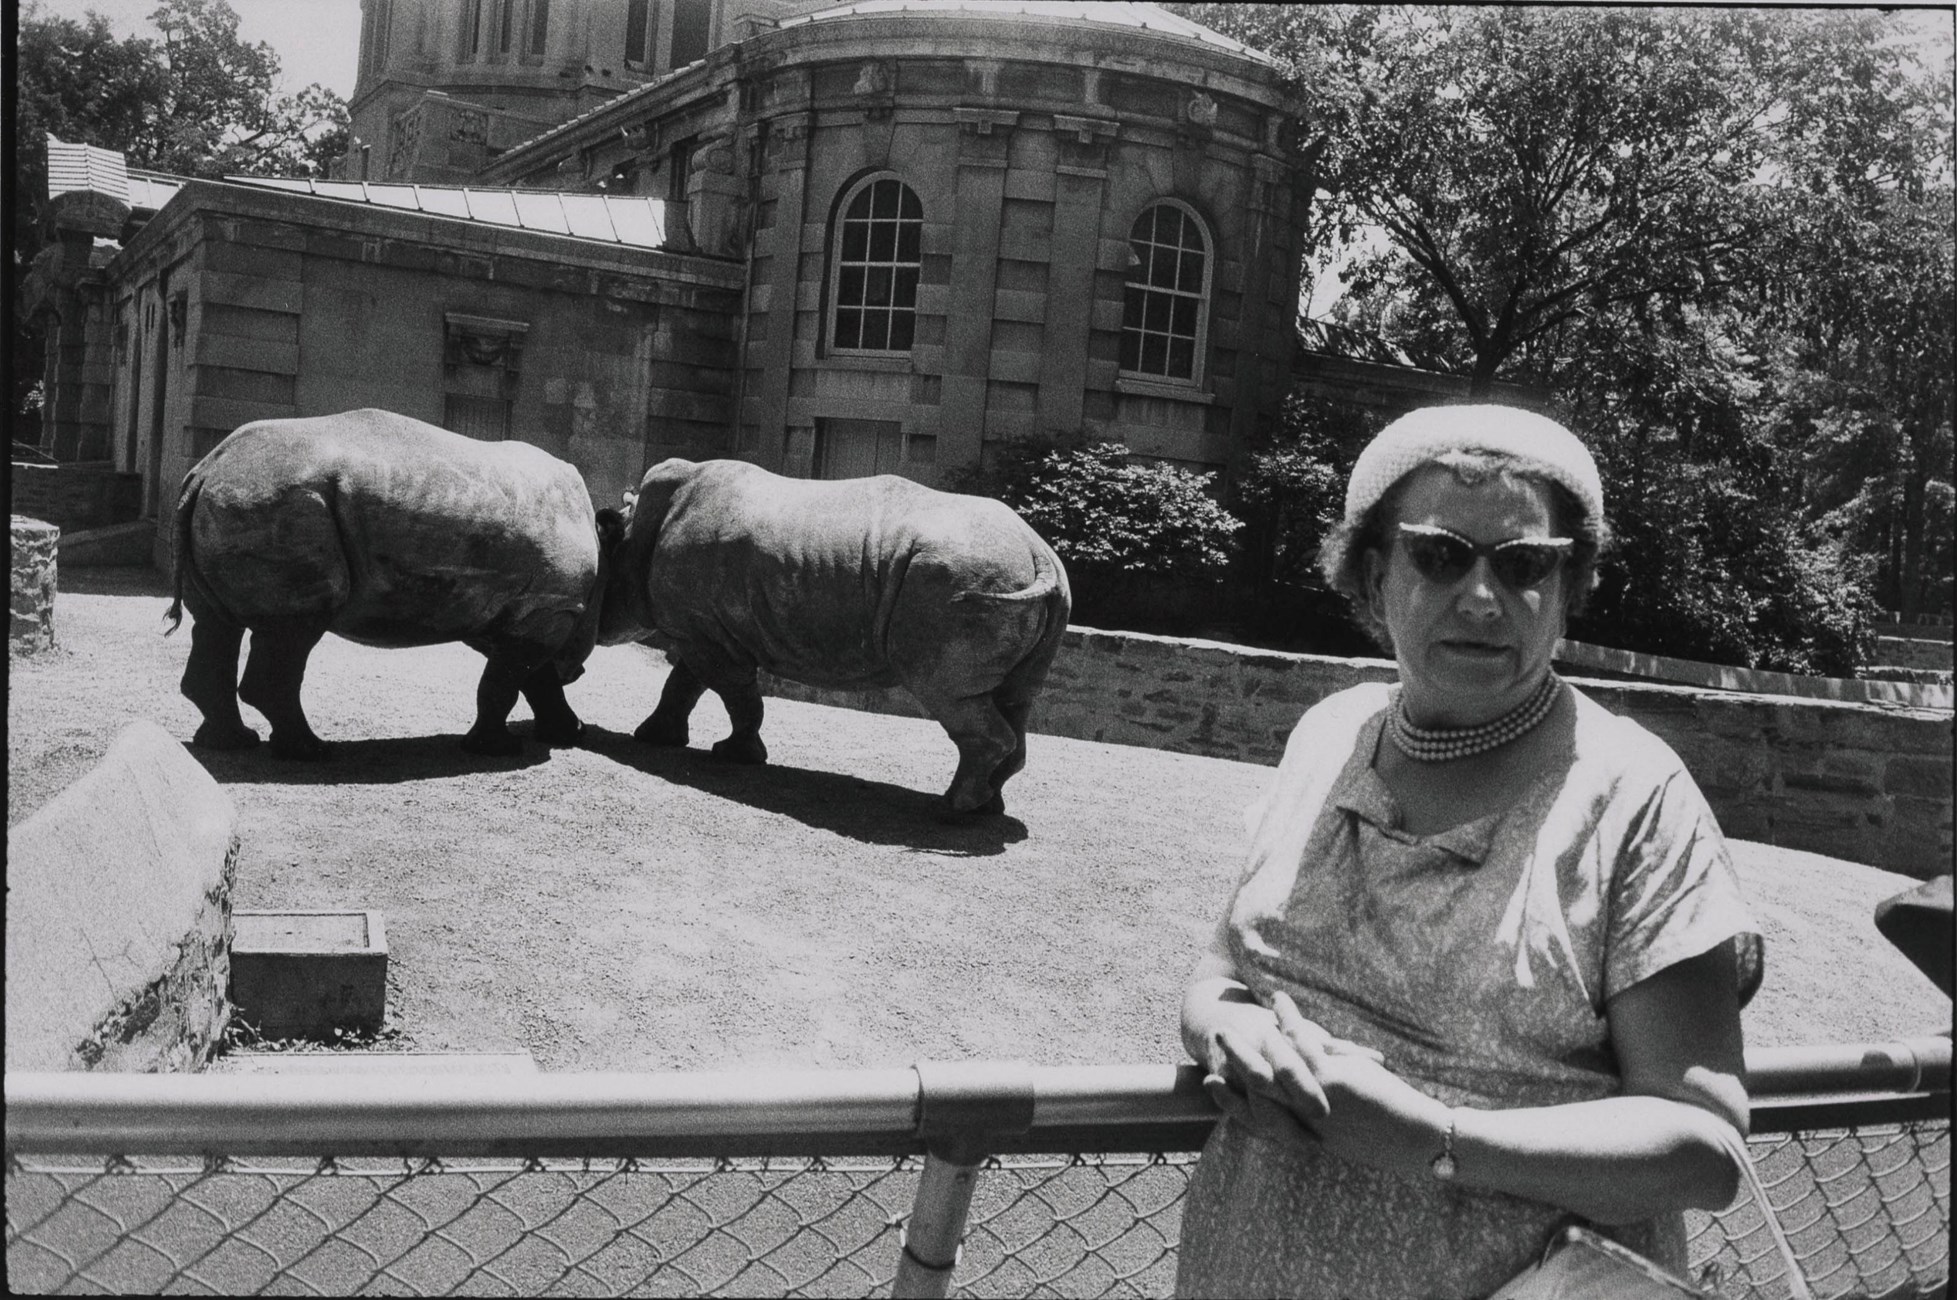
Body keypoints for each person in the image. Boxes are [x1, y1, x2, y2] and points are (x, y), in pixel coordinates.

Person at [1175, 404, 1764, 1299]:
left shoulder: (1631, 796)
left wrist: (1437, 1139)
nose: (1482, 598)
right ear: (1374, 576)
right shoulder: (1326, 736)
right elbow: (1220, 969)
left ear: (1568, 589)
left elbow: (1702, 1146)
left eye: (1524, 565)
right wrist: (1231, 1027)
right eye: (1440, 554)